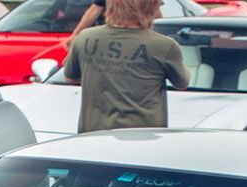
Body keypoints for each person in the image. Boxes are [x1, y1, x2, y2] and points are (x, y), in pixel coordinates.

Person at [62, 0, 190, 133]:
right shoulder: (165, 46)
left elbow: (70, 77)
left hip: (93, 133)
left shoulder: (85, 37)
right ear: (151, 7)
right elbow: (182, 84)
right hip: (144, 134)